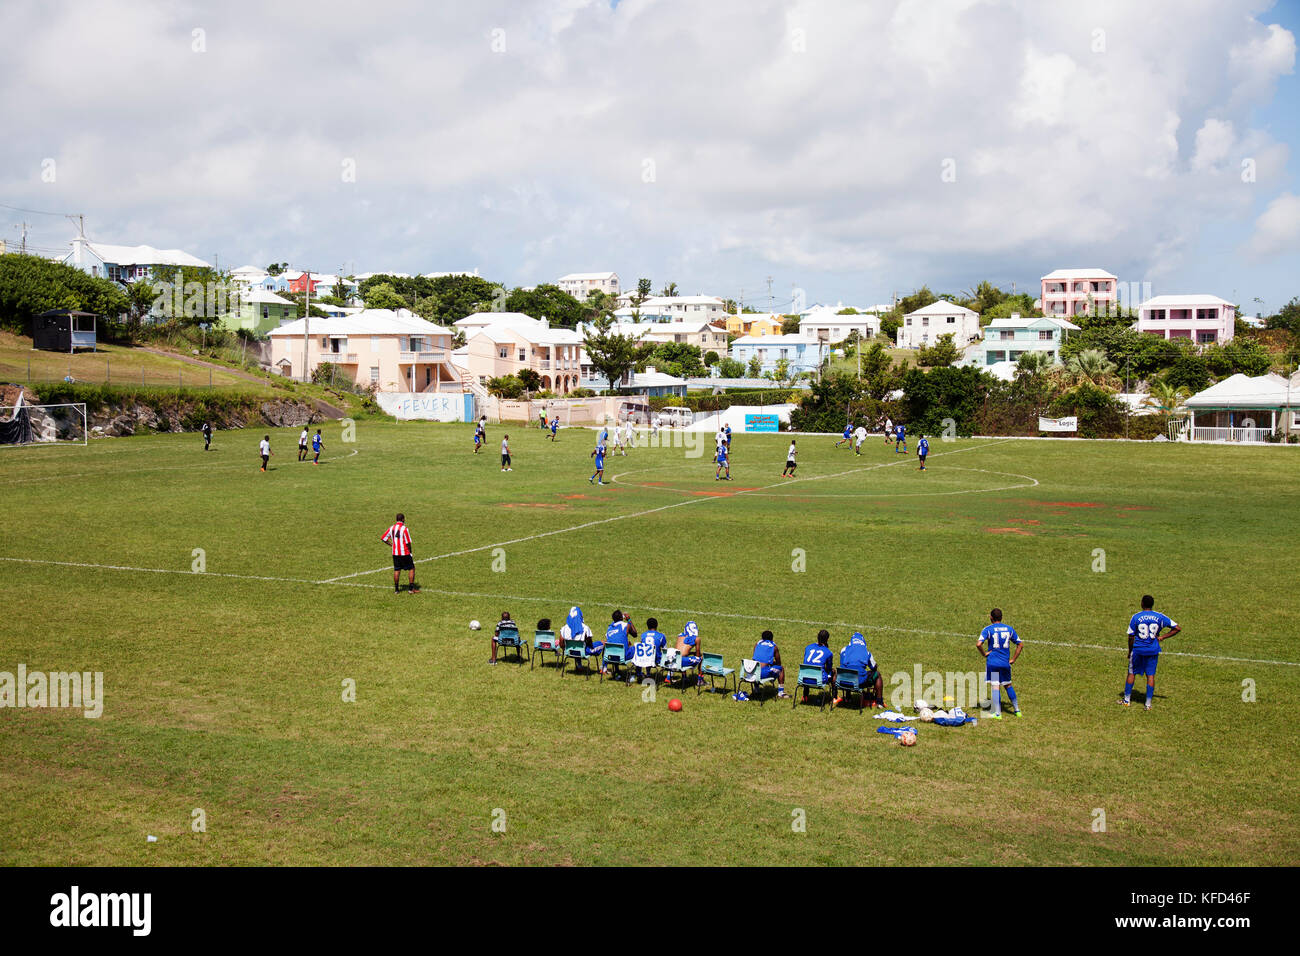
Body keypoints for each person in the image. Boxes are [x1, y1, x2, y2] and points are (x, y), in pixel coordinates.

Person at [1121, 595, 1181, 711]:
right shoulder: (1159, 616)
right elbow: (1177, 628)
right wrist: (1163, 637)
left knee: (1131, 673)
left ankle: (1126, 700)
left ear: (1142, 603)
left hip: (1138, 650)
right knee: (1150, 675)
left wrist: (1130, 651)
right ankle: (1148, 704)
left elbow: (1131, 636)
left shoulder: (1136, 617)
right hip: (1153, 650)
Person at [977, 608, 1022, 717]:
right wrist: (1013, 659)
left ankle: (997, 713)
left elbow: (979, 644)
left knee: (995, 686)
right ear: (1001, 618)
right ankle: (1017, 710)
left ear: (991, 617)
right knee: (1008, 685)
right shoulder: (1009, 629)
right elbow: (1020, 644)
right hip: (1005, 663)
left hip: (993, 663)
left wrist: (984, 654)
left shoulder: (988, 629)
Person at [835, 631, 883, 708]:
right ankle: (879, 702)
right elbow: (874, 667)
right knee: (877, 674)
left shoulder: (844, 650)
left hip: (843, 681)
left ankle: (848, 697)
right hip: (859, 682)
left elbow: (842, 665)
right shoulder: (866, 652)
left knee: (847, 670)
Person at [381, 512, 418, 594]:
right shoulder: (405, 529)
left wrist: (392, 545)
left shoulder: (392, 528)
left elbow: (384, 538)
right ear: (403, 519)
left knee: (397, 570)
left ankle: (397, 590)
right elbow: (408, 542)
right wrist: (410, 552)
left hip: (395, 553)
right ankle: (411, 589)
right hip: (404, 552)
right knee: (412, 569)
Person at [800, 629, 835, 702]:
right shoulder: (828, 652)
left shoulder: (808, 647)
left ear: (817, 637)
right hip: (818, 680)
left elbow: (806, 662)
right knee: (833, 671)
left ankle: (805, 696)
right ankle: (835, 697)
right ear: (827, 639)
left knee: (809, 669)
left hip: (804, 678)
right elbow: (829, 669)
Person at [751, 630, 788, 699]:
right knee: (781, 668)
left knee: (757, 667)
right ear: (772, 638)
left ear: (762, 638)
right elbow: (778, 663)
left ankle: (756, 689)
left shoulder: (757, 644)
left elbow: (755, 659)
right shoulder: (773, 646)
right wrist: (772, 663)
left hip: (752, 672)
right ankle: (780, 693)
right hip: (763, 673)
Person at [602, 610, 639, 678]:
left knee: (615, 647)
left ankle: (614, 670)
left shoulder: (609, 628)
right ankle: (638, 673)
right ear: (622, 618)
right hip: (623, 657)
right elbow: (635, 634)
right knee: (637, 647)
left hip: (611, 657)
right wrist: (629, 620)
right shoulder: (625, 625)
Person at [632, 617, 667, 682]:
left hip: (644, 658)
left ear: (647, 626)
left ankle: (647, 674)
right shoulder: (661, 636)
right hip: (655, 659)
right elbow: (665, 650)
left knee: (648, 653)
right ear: (657, 625)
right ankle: (668, 677)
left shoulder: (643, 635)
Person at [674, 621, 704, 685]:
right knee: (702, 657)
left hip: (674, 659)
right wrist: (696, 654)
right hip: (681, 661)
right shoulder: (697, 639)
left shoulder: (680, 636)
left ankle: (684, 677)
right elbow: (697, 656)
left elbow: (681, 651)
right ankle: (700, 680)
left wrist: (691, 653)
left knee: (685, 656)